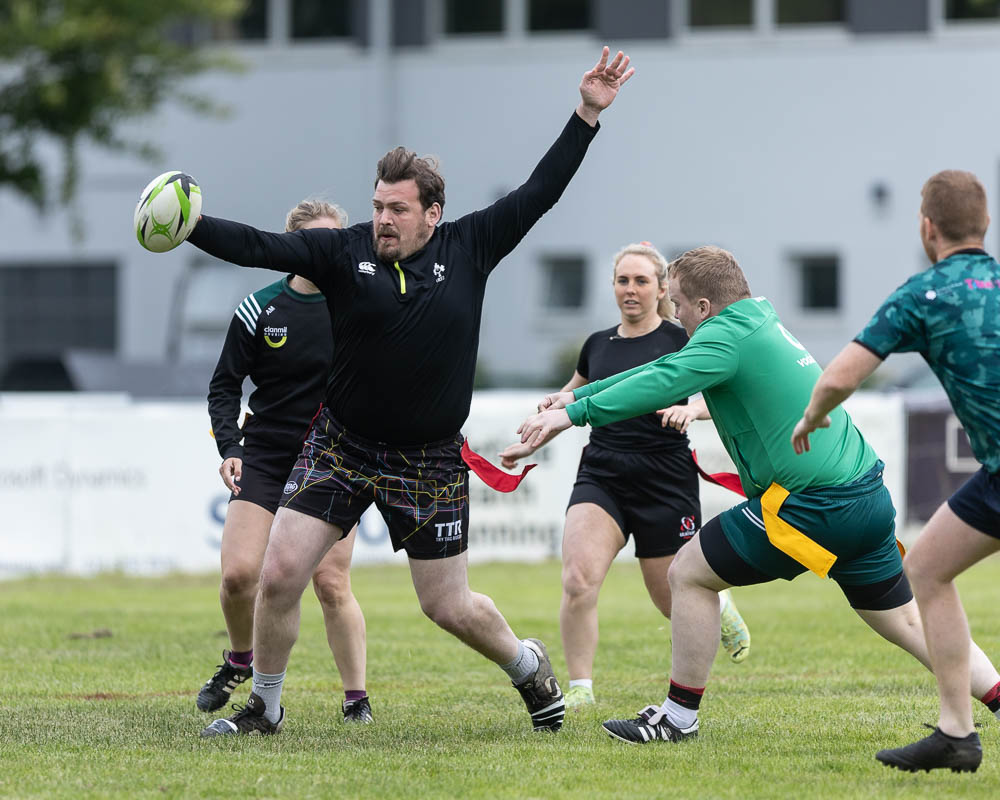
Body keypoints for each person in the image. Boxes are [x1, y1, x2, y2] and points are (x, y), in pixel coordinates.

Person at [180, 47, 634, 737]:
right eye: (377, 206)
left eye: (397, 209)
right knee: (278, 575)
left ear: (432, 212)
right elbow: (259, 246)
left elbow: (542, 190)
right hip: (341, 445)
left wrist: (586, 114)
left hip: (427, 461)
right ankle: (265, 707)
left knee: (448, 607)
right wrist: (191, 226)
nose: (383, 220)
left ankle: (526, 665)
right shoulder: (341, 251)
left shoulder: (472, 245)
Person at [517, 245, 1000, 749]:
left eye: (678, 303)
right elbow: (663, 369)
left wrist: (571, 415)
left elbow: (661, 379)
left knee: (688, 573)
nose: (674, 314)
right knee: (907, 620)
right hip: (866, 496)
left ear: (704, 307)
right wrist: (577, 394)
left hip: (815, 505)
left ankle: (678, 718)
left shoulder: (724, 337)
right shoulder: (759, 319)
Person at [793, 170, 1000, 773]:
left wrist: (811, 418)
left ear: (927, 228)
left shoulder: (923, 294)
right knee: (927, 566)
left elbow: (838, 377)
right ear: (985, 225)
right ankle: (956, 734)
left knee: (926, 573)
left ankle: (959, 732)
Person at [498, 243, 750, 711]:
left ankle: (721, 613)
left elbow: (721, 395)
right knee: (577, 578)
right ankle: (580, 689)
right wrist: (531, 439)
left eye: (640, 281)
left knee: (671, 593)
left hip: (665, 479)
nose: (630, 290)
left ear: (661, 289)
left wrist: (690, 408)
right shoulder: (596, 345)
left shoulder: (684, 338)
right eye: (622, 280)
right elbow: (572, 402)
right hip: (604, 474)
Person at [200, 200, 373, 725]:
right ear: (293, 246)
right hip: (267, 456)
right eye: (313, 242)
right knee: (238, 577)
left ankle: (356, 699)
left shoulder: (360, 306)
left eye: (334, 242)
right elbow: (225, 385)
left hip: (332, 460)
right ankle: (240, 660)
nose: (326, 252)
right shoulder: (259, 309)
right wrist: (230, 446)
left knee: (330, 581)